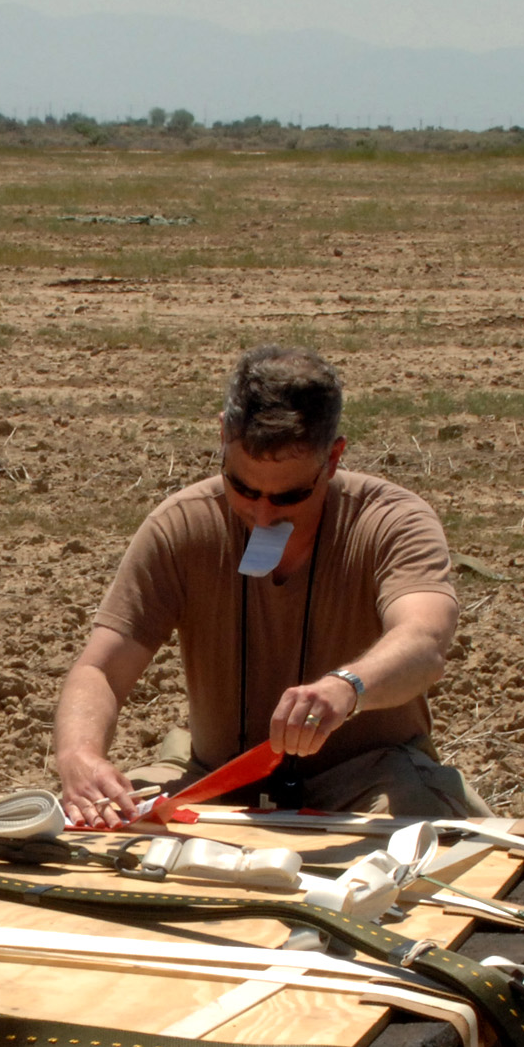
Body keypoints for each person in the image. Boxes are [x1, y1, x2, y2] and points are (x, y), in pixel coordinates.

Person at [53, 346, 477, 826]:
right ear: (222, 437)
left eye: (291, 496)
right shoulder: (181, 526)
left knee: (416, 835)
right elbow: (102, 670)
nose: (263, 515)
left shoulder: (391, 521)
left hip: (365, 782)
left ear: (333, 457)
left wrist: (348, 687)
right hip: (222, 780)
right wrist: (79, 755)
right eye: (243, 488)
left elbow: (424, 641)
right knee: (101, 830)